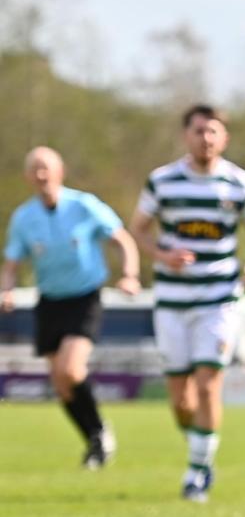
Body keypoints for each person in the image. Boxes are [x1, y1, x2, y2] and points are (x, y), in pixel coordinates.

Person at [129, 105, 245, 502]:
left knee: (207, 385)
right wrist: (162, 255)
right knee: (180, 400)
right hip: (171, 300)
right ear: (186, 135)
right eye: (199, 131)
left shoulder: (240, 183)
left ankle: (197, 473)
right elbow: (137, 229)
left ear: (224, 137)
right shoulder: (162, 181)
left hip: (219, 299)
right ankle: (201, 445)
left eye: (213, 131)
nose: (206, 138)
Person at [0, 147, 141, 468]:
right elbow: (11, 263)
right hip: (49, 301)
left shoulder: (84, 205)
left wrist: (130, 275)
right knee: (61, 384)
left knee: (71, 369)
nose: (40, 175)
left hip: (83, 298)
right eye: (34, 169)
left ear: (60, 171)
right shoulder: (24, 217)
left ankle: (99, 432)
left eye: (45, 168)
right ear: (27, 177)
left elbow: (122, 239)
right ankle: (95, 436)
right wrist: (6, 290)